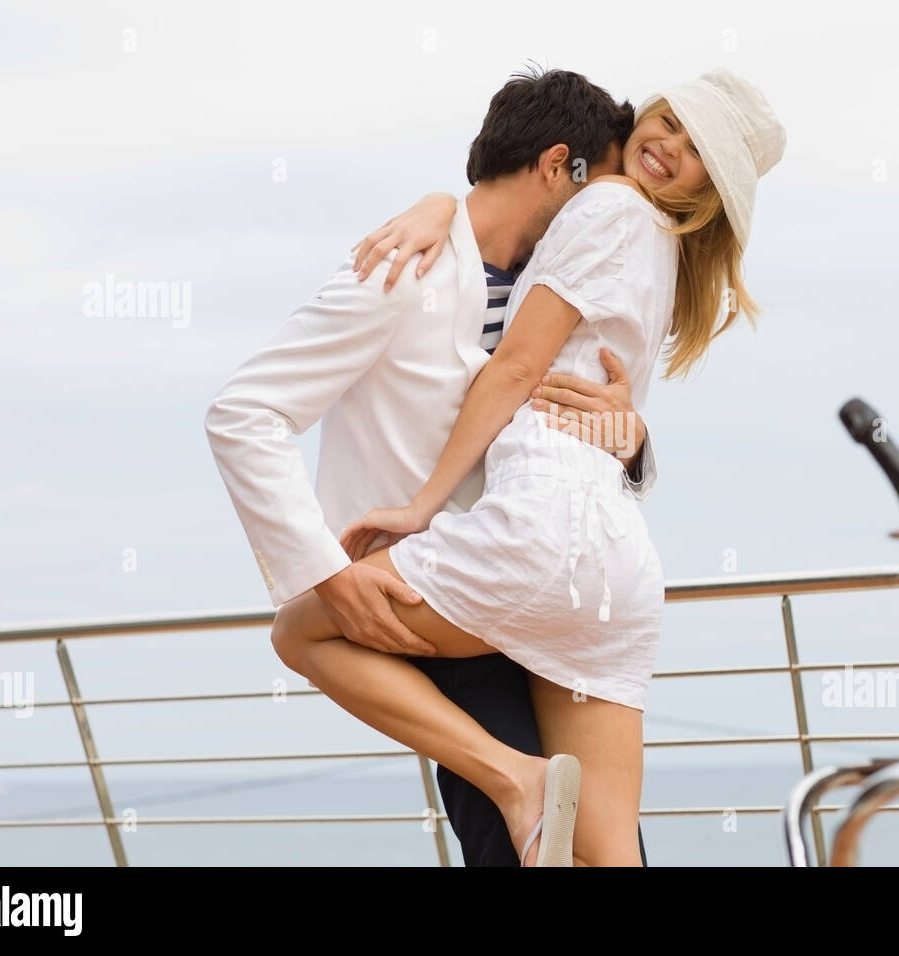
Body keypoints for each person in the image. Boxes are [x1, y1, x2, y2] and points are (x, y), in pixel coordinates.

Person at [264, 68, 785, 866]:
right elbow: (499, 222)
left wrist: (421, 506)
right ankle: (522, 785)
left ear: (709, 189)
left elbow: (514, 370)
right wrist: (440, 203)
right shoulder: (657, 249)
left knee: (301, 629)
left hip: (534, 539)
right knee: (609, 853)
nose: (667, 145)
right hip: (615, 573)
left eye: (694, 151)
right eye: (669, 122)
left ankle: (515, 779)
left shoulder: (608, 211)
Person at [206, 68, 657, 866]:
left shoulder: (543, 294)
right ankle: (514, 782)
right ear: (559, 166)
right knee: (510, 838)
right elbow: (245, 413)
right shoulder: (395, 273)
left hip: (543, 581)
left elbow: (555, 424)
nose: (602, 211)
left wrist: (632, 441)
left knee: (605, 847)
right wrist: (324, 573)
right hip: (436, 594)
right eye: (595, 186)